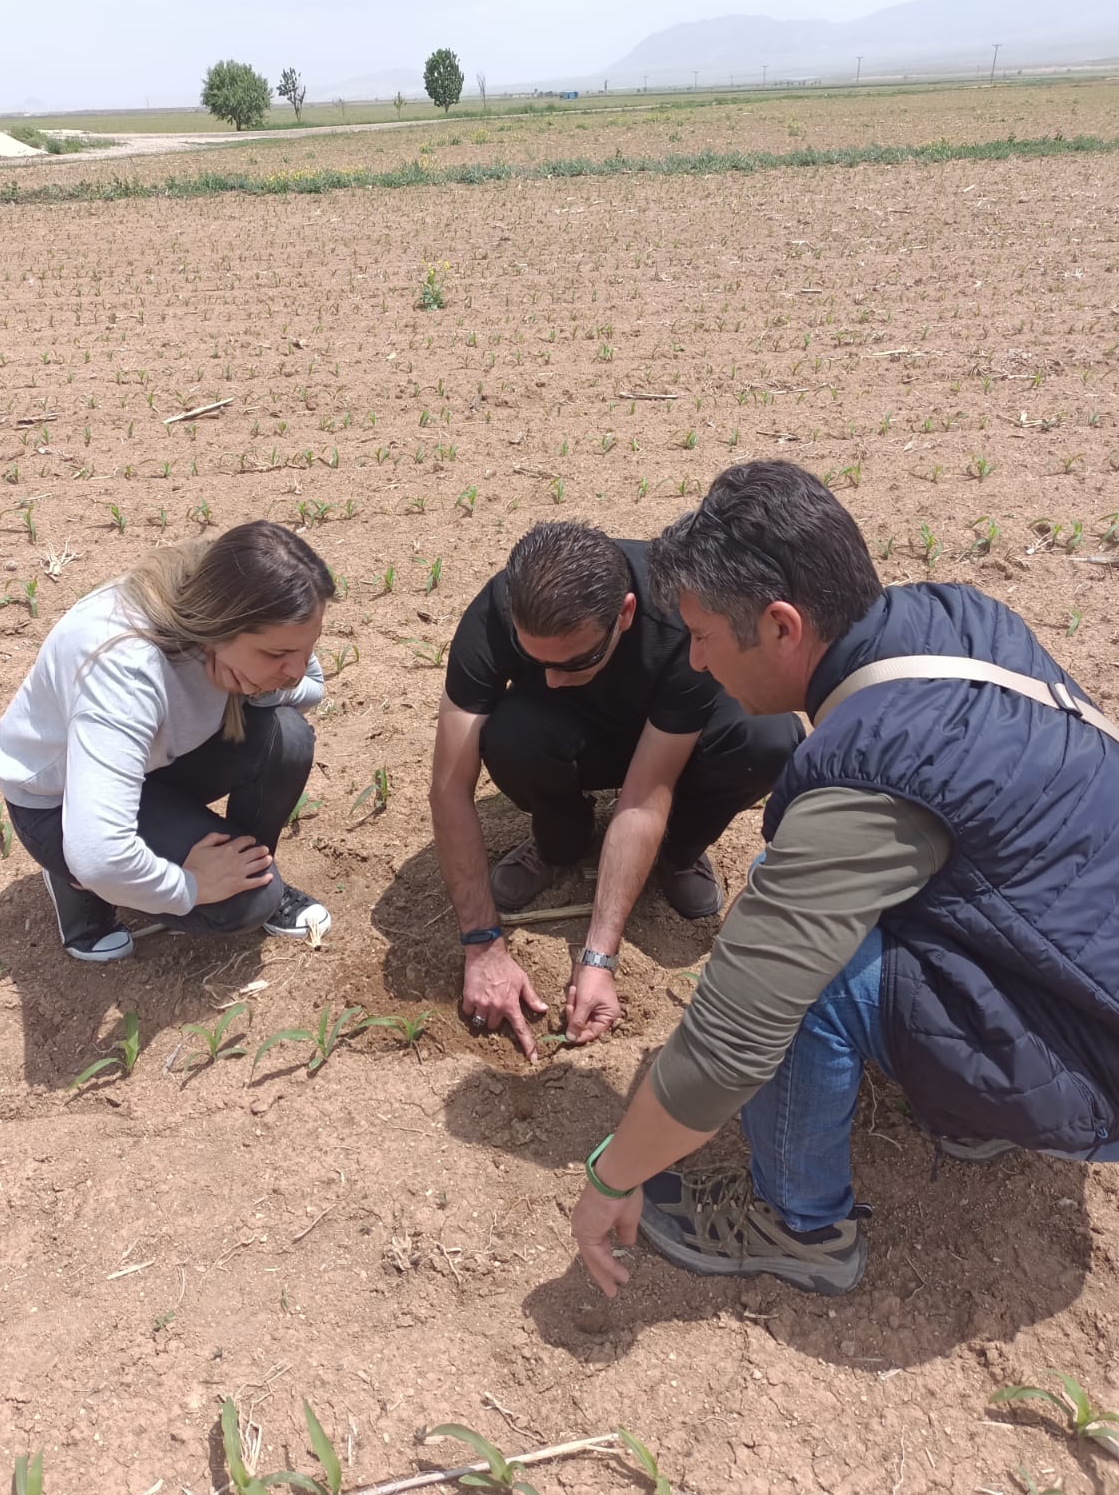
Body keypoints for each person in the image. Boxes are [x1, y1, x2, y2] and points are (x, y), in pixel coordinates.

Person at [570, 460, 1119, 1298]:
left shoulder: (871, 765)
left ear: (783, 626)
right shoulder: (955, 619)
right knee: (818, 894)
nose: (697, 660)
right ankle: (981, 1108)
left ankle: (800, 1226)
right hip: (1088, 970)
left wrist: (611, 1178)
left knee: (802, 966)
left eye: (706, 635)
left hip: (1095, 1058)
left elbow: (732, 1037)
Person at [429, 520, 804, 1061]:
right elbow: (449, 789)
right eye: (538, 663)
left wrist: (598, 958)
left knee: (767, 740)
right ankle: (560, 842)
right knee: (510, 732)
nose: (553, 678)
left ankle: (677, 853)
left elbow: (643, 793)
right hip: (573, 733)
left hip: (671, 737)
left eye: (575, 661)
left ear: (625, 614)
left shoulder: (682, 614)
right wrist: (482, 944)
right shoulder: (496, 613)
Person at [0, 520, 336, 963]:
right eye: (276, 655)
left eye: (305, 648)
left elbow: (313, 687)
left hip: (151, 765)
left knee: (287, 738)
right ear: (221, 624)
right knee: (244, 907)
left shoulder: (232, 592)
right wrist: (188, 886)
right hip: (58, 801)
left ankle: (247, 869)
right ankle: (73, 878)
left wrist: (264, 680)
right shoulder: (126, 665)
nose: (297, 668)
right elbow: (101, 857)